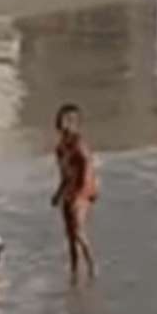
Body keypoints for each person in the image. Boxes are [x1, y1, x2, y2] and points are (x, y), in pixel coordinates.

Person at [50, 104, 99, 282]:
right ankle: (75, 270)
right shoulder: (60, 148)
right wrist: (58, 193)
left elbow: (88, 168)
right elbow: (64, 173)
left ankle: (92, 266)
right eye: (60, 120)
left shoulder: (79, 144)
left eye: (66, 120)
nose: (62, 124)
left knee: (78, 230)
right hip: (69, 189)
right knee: (69, 234)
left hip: (82, 190)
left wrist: (84, 191)